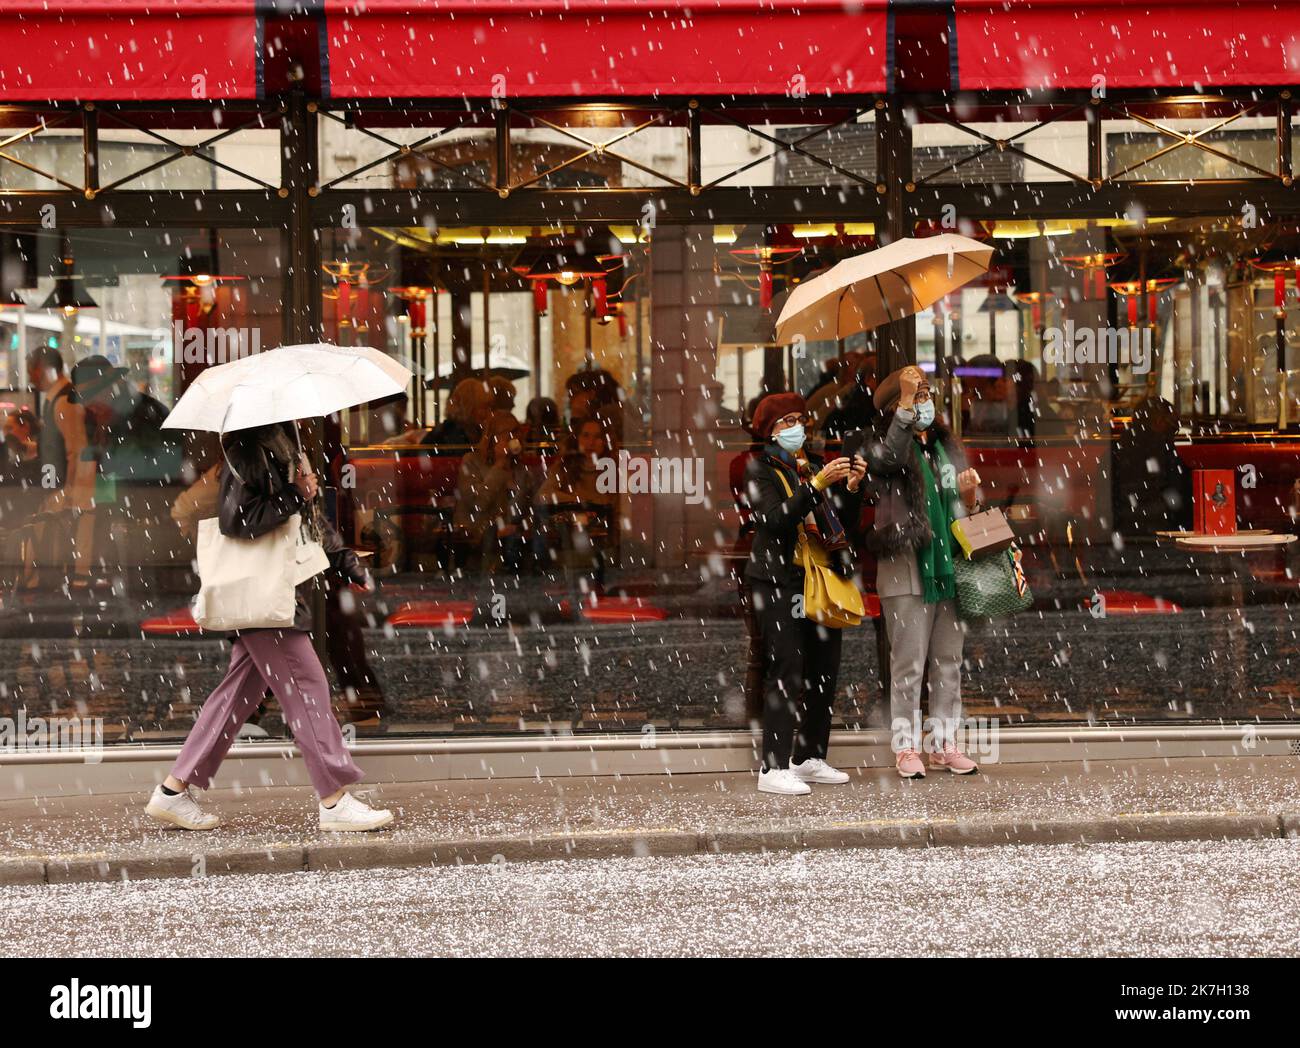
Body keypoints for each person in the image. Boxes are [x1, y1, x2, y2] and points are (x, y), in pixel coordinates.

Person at [145, 419, 394, 832]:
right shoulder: (248, 446)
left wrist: (345, 559)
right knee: (308, 684)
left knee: (238, 694)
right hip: (264, 592)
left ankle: (173, 791)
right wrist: (295, 494)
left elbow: (307, 518)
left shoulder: (285, 441)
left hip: (273, 589)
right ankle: (333, 799)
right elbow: (236, 519)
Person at [858, 365, 981, 778]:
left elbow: (962, 509)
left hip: (950, 567)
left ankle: (945, 743)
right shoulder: (882, 445)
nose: (924, 401)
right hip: (906, 567)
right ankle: (906, 748)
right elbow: (888, 461)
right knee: (908, 664)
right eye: (915, 395)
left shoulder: (945, 445)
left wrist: (968, 496)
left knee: (948, 659)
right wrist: (905, 406)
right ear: (896, 407)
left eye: (927, 393)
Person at [742, 392, 864, 796]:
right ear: (770, 430)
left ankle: (808, 756)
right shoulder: (759, 469)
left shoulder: (810, 466)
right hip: (777, 579)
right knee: (786, 668)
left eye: (800, 419)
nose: (798, 427)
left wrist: (851, 485)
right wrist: (814, 484)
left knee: (824, 666)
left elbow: (837, 521)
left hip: (818, 578)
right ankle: (772, 767)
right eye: (788, 420)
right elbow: (775, 520)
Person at [452, 409, 537, 572]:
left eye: (515, 433)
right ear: (491, 438)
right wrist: (498, 466)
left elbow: (530, 511)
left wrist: (518, 527)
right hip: (478, 533)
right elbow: (477, 504)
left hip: (512, 536)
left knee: (521, 543)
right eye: (506, 434)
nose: (512, 439)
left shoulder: (521, 471)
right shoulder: (471, 461)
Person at [421, 377, 493, 447]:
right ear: (468, 408)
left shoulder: (475, 432)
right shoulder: (451, 434)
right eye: (484, 407)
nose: (488, 412)